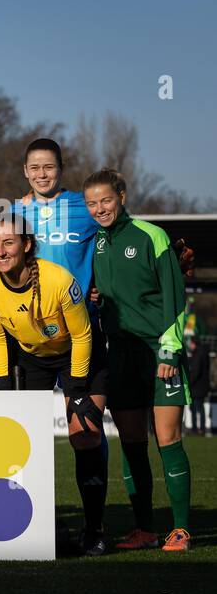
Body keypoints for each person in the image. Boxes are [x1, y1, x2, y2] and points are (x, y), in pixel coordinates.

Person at [0, 212, 109, 557]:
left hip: (78, 354)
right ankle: (33, 523)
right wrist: (4, 384)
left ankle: (94, 530)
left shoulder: (58, 280)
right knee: (20, 441)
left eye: (8, 242)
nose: (0, 251)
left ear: (27, 244)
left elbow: (82, 334)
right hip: (32, 359)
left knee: (85, 435)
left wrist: (77, 391)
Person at [84, 169, 193, 553]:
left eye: (106, 200)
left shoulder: (151, 236)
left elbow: (175, 297)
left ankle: (180, 529)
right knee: (132, 443)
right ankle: (144, 530)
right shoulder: (93, 243)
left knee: (167, 439)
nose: (100, 209)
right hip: (122, 354)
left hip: (158, 351)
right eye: (92, 203)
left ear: (122, 197)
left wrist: (169, 349)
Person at [186, 335, 210, 435]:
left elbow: (195, 372)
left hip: (196, 387)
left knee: (195, 409)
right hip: (202, 386)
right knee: (200, 408)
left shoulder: (197, 354)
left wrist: (189, 383)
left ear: (193, 343)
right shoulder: (204, 353)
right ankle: (202, 428)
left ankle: (196, 429)